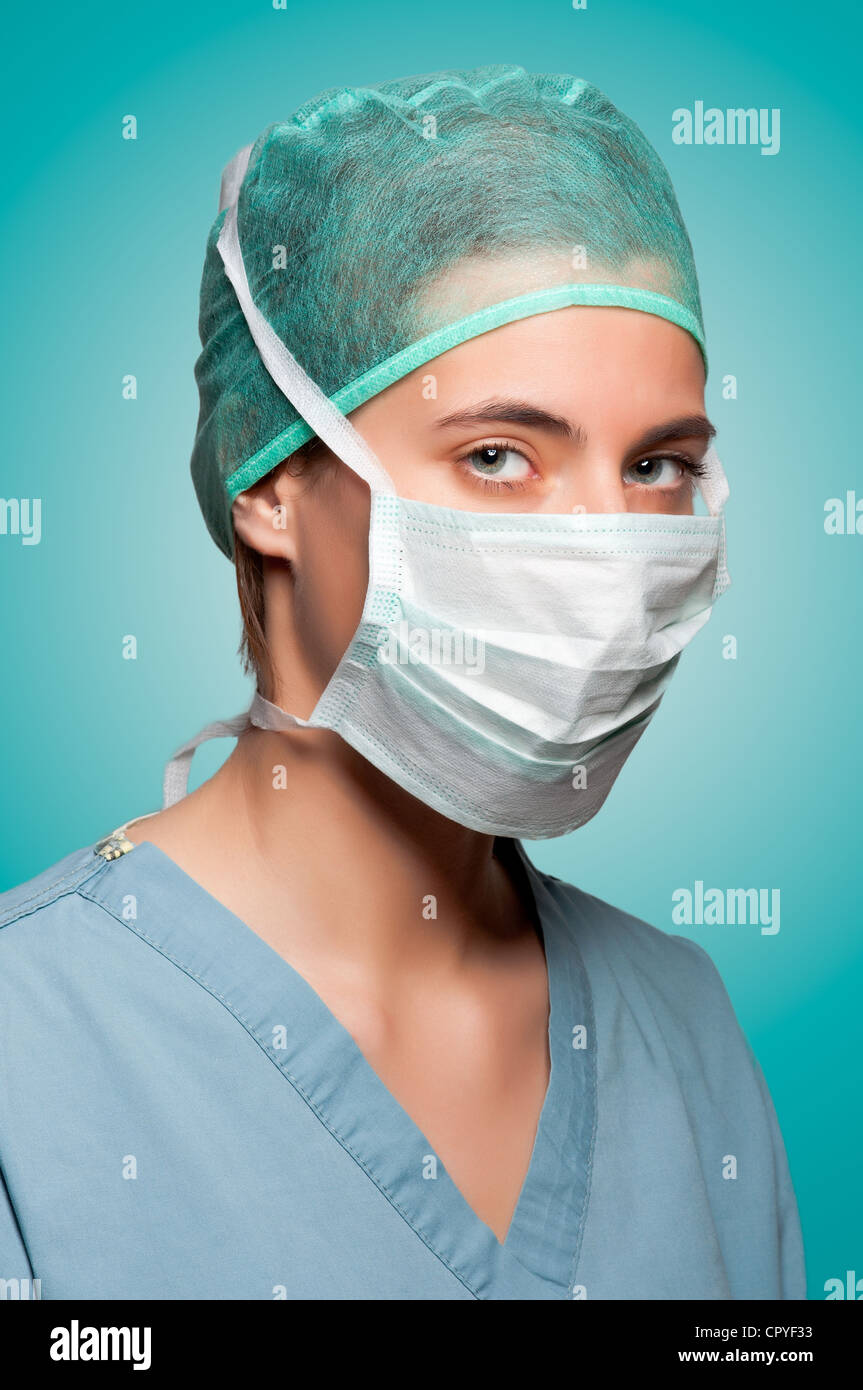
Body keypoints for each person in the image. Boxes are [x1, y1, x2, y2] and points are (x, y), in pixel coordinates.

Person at [0, 65, 805, 1300]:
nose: (601, 544)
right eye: (498, 455)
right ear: (265, 482)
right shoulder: (33, 1045)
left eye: (655, 466)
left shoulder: (679, 1023)